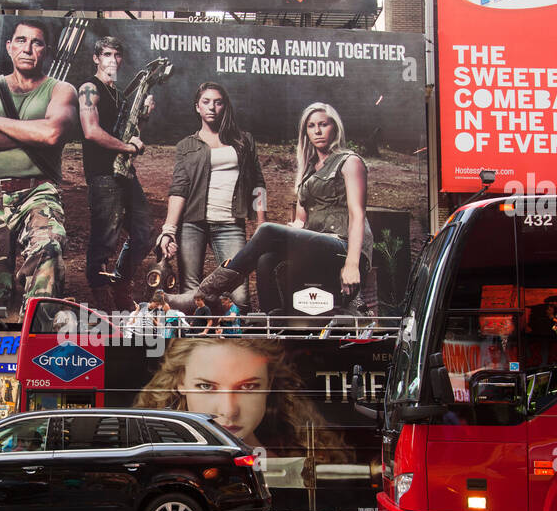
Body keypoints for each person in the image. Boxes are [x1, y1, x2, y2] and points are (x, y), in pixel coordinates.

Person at [164, 102, 373, 317]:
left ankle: (205, 292)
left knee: (267, 230)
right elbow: (301, 221)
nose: (317, 131)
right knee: (266, 258)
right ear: (305, 132)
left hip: (344, 246)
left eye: (323, 124)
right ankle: (272, 320)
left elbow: (357, 216)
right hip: (318, 243)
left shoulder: (349, 162)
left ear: (335, 128)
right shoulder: (309, 170)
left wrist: (352, 264)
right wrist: (293, 231)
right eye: (311, 126)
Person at [0, 21, 79, 322]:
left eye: (36, 42)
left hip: (38, 192)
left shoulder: (61, 90)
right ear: (9, 46)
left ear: (45, 51)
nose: (27, 48)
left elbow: (51, 135)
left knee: (48, 247)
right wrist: (29, 131)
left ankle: (35, 344)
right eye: (21, 40)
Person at [132, 338, 351, 490]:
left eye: (248, 387)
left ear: (270, 383)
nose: (228, 411)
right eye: (206, 387)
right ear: (181, 382)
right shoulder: (146, 458)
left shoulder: (302, 467)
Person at [156, 82, 266, 310]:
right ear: (197, 107)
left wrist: (261, 223)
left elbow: (258, 184)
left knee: (240, 297)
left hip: (230, 223)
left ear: (225, 106)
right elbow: (179, 188)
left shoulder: (244, 140)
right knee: (190, 292)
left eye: (218, 102)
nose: (212, 107)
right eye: (206, 102)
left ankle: (234, 340)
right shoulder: (187, 145)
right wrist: (168, 230)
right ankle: (196, 339)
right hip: (192, 225)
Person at [78, 36, 155, 311]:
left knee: (144, 232)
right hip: (102, 174)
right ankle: (101, 295)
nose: (112, 60)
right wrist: (127, 147)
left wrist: (143, 117)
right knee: (105, 238)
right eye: (106, 54)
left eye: (116, 54)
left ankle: (121, 282)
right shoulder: (90, 87)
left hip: (123, 171)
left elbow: (130, 135)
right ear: (96, 58)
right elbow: (91, 131)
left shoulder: (119, 94)